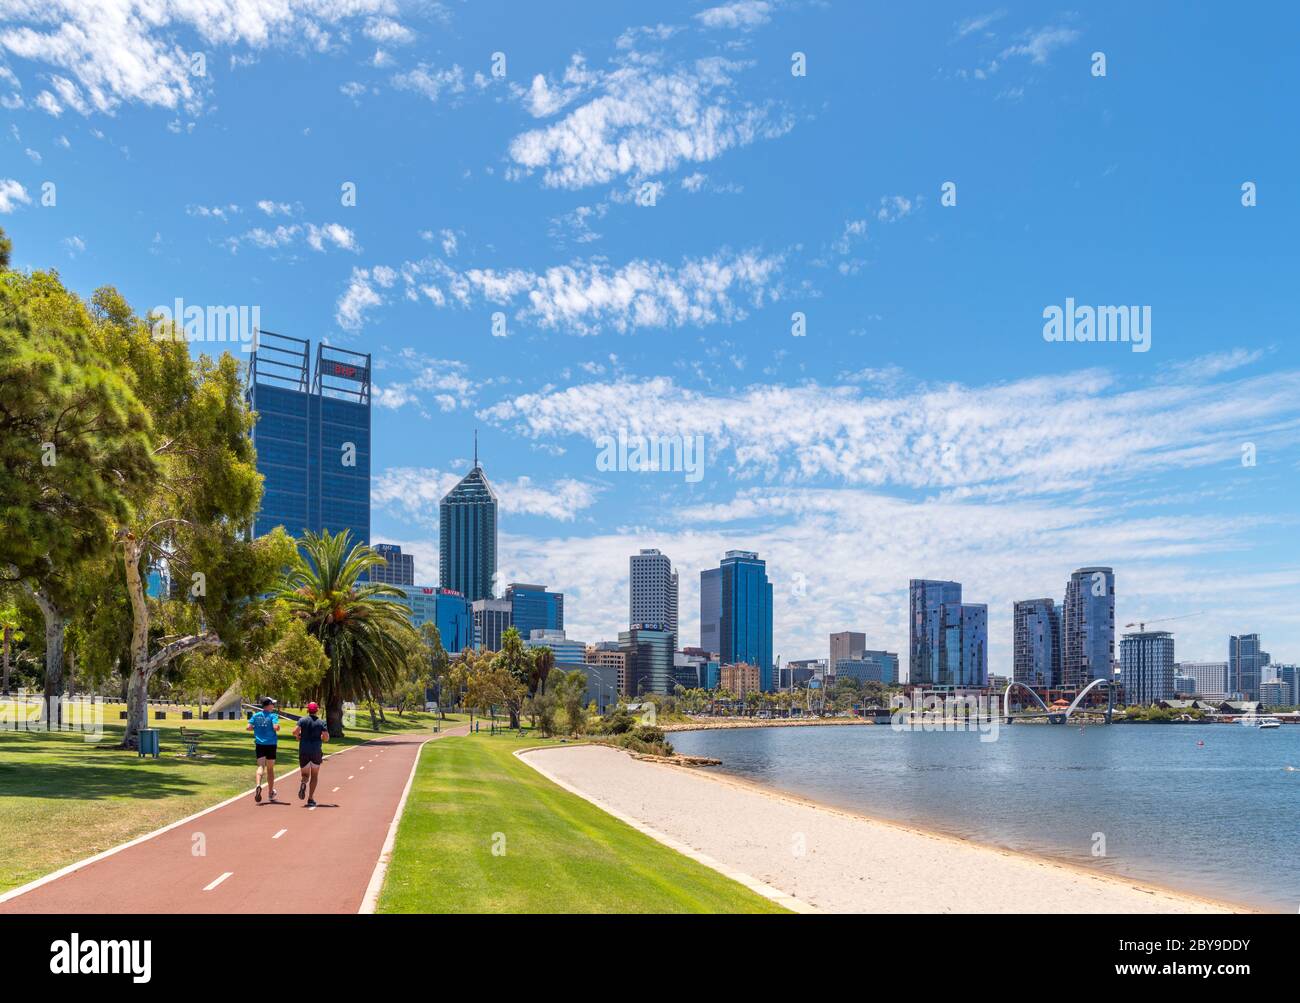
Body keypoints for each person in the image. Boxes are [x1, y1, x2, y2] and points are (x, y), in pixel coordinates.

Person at [294, 701, 330, 807]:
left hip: (304, 750)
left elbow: (295, 731)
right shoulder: (321, 722)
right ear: (317, 710)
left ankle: (303, 783)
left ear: (307, 710)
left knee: (305, 775)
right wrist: (321, 738)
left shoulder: (302, 720)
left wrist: (298, 736)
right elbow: (326, 737)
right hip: (315, 751)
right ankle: (310, 798)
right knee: (314, 775)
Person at [246, 697, 280, 803]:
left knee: (260, 766)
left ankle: (258, 785)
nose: (273, 706)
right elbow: (275, 727)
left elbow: (248, 727)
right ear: (268, 705)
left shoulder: (256, 715)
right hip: (271, 744)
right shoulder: (273, 716)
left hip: (259, 744)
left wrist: (257, 728)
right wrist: (277, 727)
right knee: (270, 769)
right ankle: (270, 793)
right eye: (272, 704)